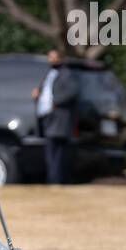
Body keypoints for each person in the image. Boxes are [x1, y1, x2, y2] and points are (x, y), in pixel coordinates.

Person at [34, 49, 78, 185]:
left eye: (54, 57)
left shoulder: (67, 74)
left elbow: (72, 92)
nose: (51, 60)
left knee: (58, 152)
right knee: (51, 151)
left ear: (60, 58)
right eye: (50, 57)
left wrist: (55, 102)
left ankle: (57, 180)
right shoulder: (49, 74)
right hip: (48, 118)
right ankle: (53, 179)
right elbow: (45, 90)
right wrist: (37, 92)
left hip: (60, 119)